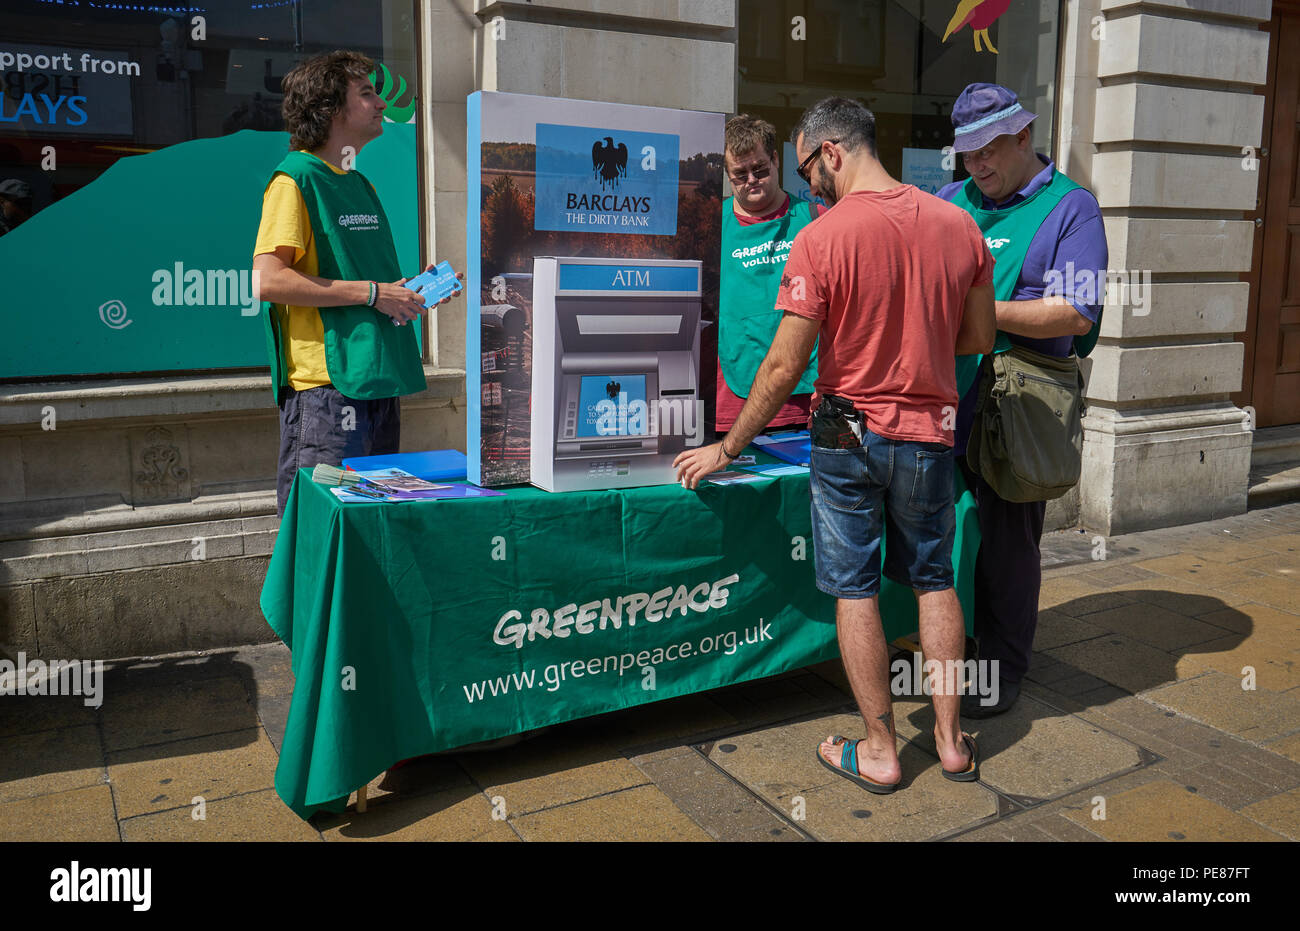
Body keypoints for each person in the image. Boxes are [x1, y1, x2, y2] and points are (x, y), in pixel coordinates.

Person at [675, 97, 996, 792]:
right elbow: (977, 337)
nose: (807, 183)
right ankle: (950, 743)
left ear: (832, 152)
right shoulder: (959, 224)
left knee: (855, 589)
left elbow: (784, 366)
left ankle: (880, 749)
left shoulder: (820, 237)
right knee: (935, 580)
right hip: (928, 426)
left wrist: (727, 449)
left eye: (805, 168)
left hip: (844, 423)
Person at [937, 84, 1108, 719]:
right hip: (946, 398)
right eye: (968, 153)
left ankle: (1002, 668)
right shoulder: (950, 200)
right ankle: (951, 650)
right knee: (947, 532)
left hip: (1019, 404)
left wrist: (981, 311)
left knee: (1008, 544)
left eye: (988, 150)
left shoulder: (1072, 208)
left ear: (1023, 137)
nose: (977, 165)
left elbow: (1076, 310)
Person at [253, 50, 460, 516]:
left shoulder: (360, 184)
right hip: (327, 391)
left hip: (377, 381)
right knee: (319, 527)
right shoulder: (295, 179)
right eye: (366, 93)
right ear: (330, 109)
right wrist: (374, 293)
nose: (382, 103)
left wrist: (407, 294)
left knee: (367, 527)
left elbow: (365, 287)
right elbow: (267, 280)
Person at [717, 115, 822, 434]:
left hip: (803, 401)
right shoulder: (711, 225)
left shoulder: (814, 218)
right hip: (735, 402)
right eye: (740, 174)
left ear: (776, 160)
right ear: (727, 174)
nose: (751, 180)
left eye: (760, 169)